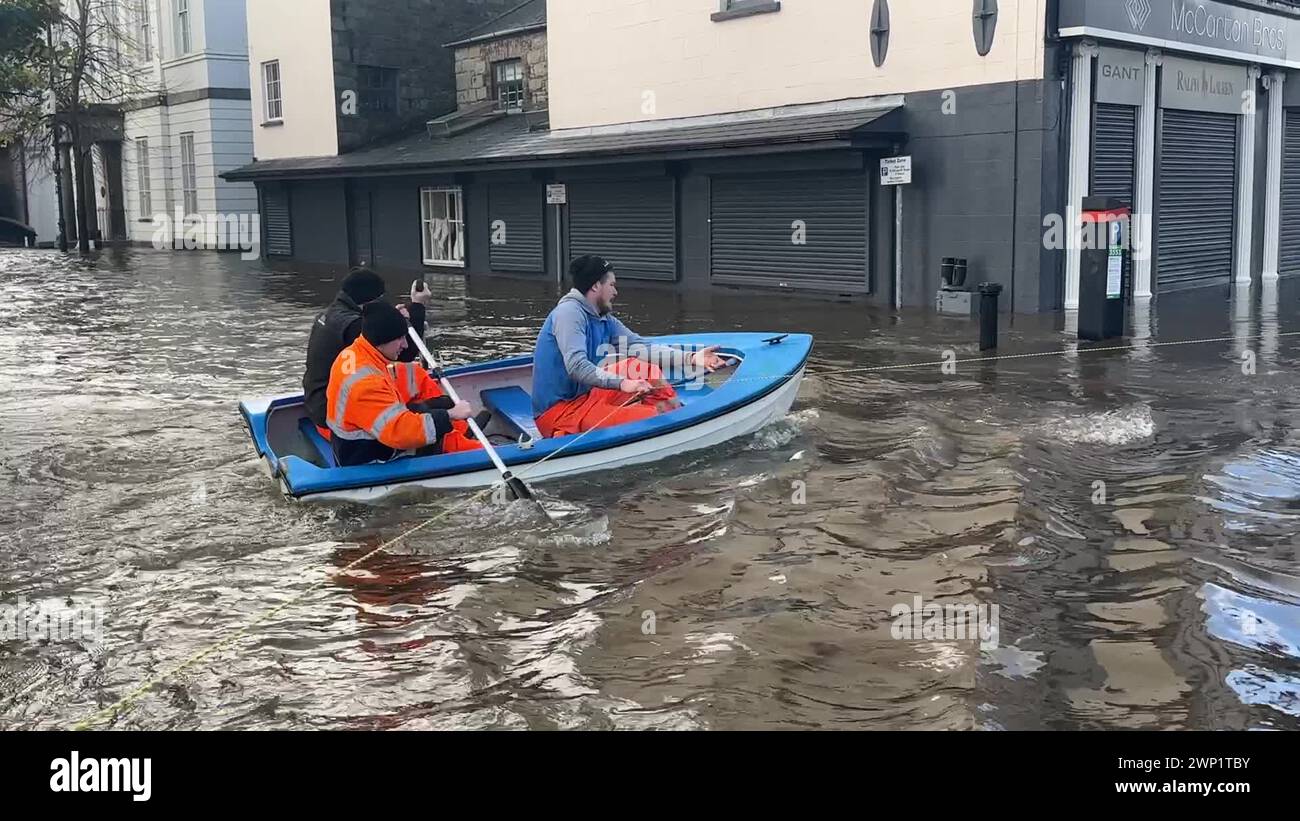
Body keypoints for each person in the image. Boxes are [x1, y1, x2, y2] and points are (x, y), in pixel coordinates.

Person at [531, 255, 729, 438]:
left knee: (644, 367)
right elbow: (577, 367)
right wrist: (623, 383)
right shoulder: (569, 314)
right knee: (650, 418)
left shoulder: (602, 318)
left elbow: (640, 347)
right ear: (595, 287)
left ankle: (673, 415)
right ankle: (654, 420)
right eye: (612, 285)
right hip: (560, 412)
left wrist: (692, 358)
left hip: (587, 396)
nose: (615, 292)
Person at [326, 300, 483, 466]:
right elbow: (401, 434)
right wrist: (451, 415)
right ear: (382, 339)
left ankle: (465, 433)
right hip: (367, 457)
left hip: (359, 439)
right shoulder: (367, 384)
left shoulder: (352, 354)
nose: (405, 344)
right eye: (400, 338)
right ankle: (485, 453)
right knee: (440, 433)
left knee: (441, 405)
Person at [303, 267, 432, 437]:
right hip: (333, 417)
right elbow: (405, 353)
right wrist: (418, 305)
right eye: (380, 299)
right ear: (369, 301)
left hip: (317, 402)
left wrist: (390, 317)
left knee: (411, 374)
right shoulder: (353, 326)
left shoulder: (331, 315)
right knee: (415, 373)